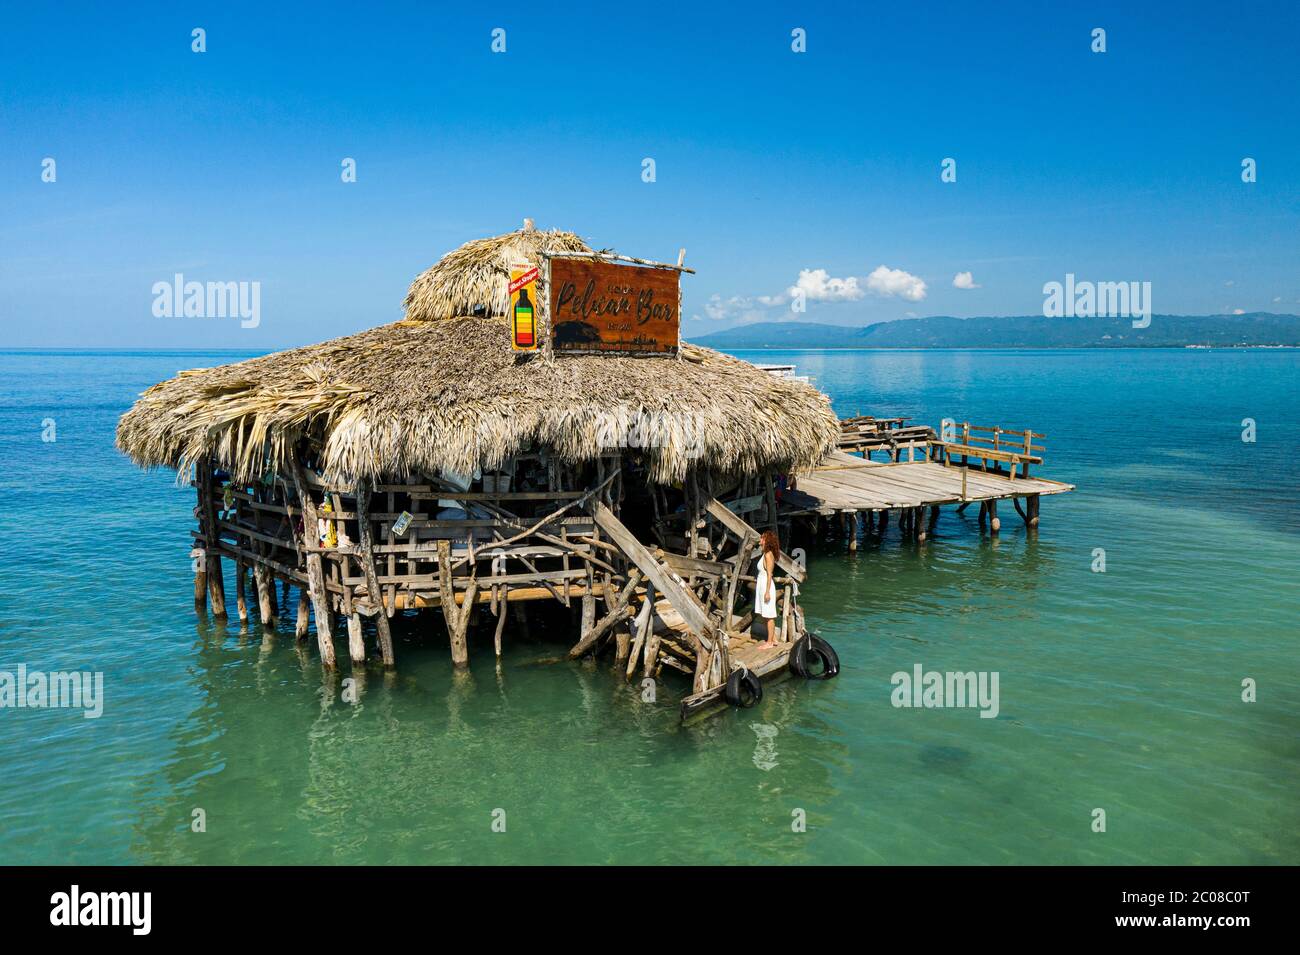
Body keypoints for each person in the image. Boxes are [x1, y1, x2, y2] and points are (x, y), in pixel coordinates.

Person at [755, 530, 781, 647]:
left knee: (769, 615)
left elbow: (770, 574)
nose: (760, 540)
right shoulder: (764, 553)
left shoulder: (768, 554)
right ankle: (774, 639)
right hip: (762, 585)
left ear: (766, 540)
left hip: (766, 586)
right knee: (764, 614)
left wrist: (767, 592)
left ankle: (769, 642)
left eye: (762, 538)